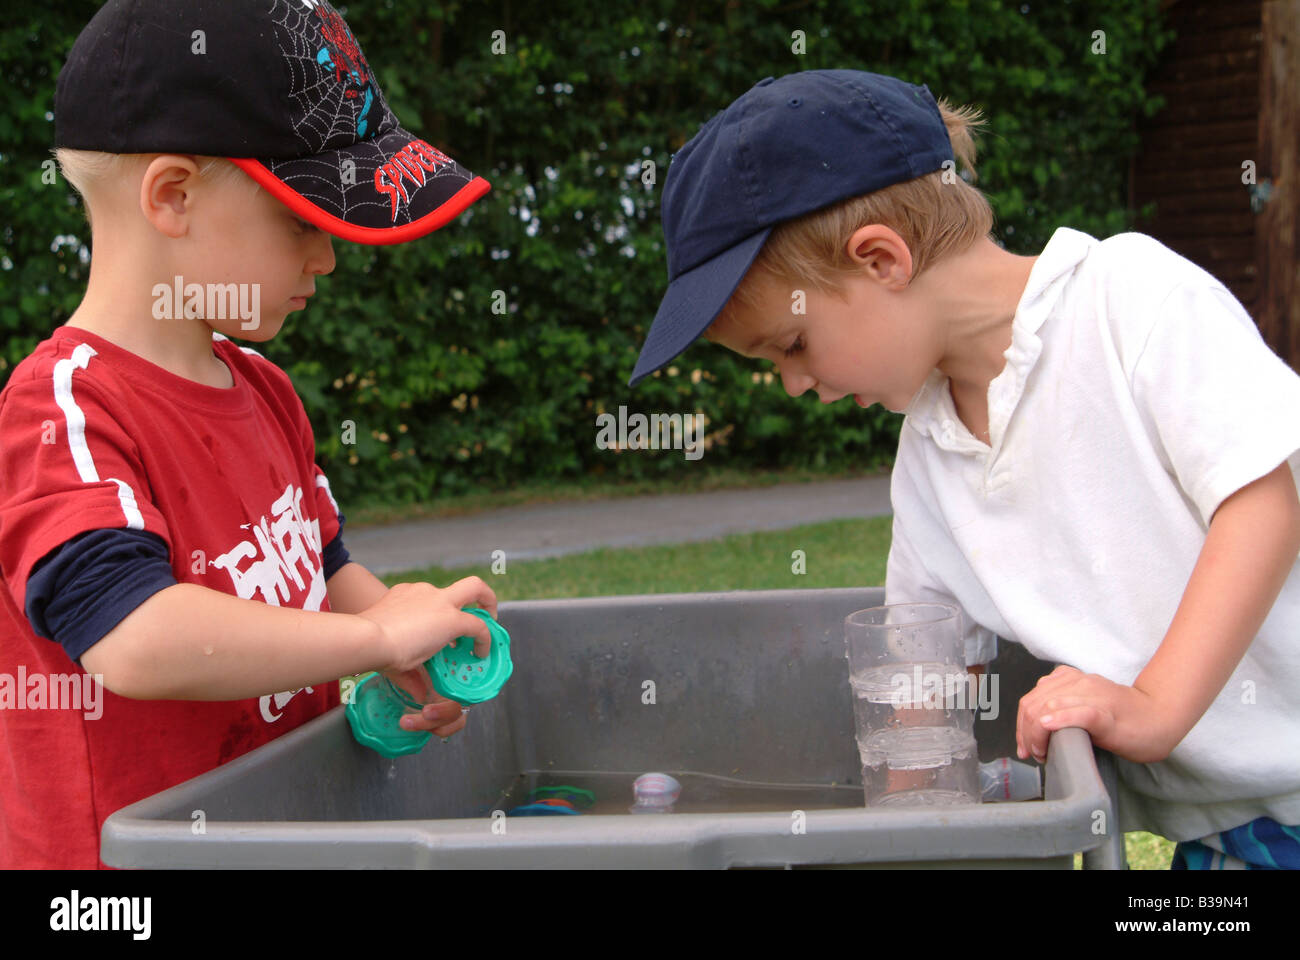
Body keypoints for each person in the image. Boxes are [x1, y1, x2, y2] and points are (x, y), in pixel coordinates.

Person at [628, 69, 1300, 869]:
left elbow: (1261, 503)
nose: (795, 386)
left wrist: (1151, 704)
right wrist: (910, 832)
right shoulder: (929, 454)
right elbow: (918, 674)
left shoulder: (1131, 301)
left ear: (882, 260)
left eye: (791, 345)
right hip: (1227, 836)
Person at [0, 0, 497, 868]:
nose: (329, 256)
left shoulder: (263, 389)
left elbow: (323, 567)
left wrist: (403, 640)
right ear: (174, 196)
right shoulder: (63, 410)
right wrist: (375, 639)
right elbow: (134, 638)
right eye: (303, 218)